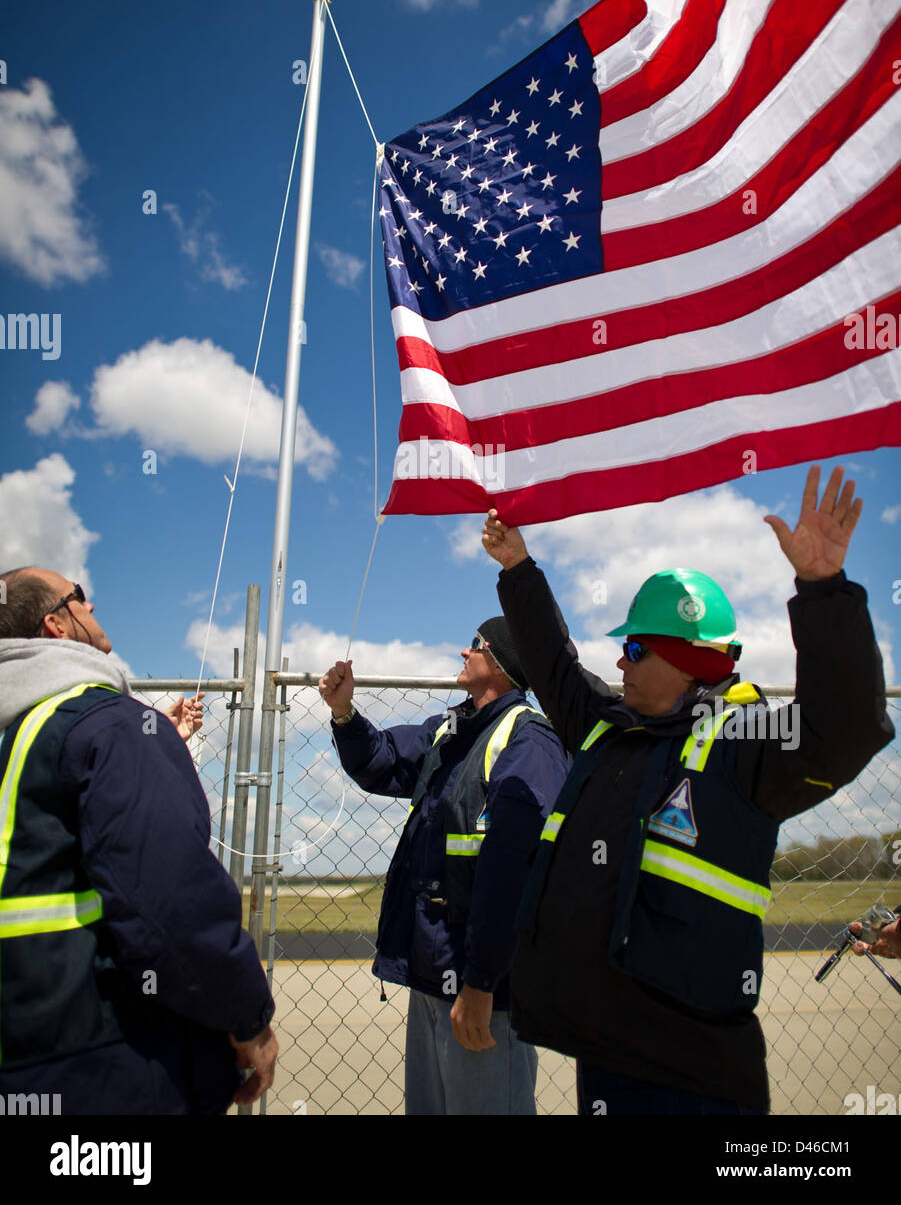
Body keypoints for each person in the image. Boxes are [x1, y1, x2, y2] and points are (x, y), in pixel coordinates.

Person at [481, 465, 895, 1115]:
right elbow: (554, 666)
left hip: (696, 1075)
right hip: (606, 1054)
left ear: (691, 660)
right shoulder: (609, 728)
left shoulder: (740, 744)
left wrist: (822, 590)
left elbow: (844, 729)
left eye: (637, 647)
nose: (619, 660)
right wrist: (517, 568)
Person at [0, 566, 278, 1114]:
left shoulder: (22, 729)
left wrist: (154, 740)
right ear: (55, 624)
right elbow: (173, 902)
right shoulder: (107, 726)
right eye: (79, 597)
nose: (93, 607)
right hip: (106, 1063)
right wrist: (247, 1018)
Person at [318, 618, 568, 1115]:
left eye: (476, 645)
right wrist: (344, 714)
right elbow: (382, 761)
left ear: (501, 662)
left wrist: (481, 983)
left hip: (484, 991)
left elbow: (514, 877)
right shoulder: (452, 730)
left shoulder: (529, 744)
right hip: (433, 977)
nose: (463, 651)